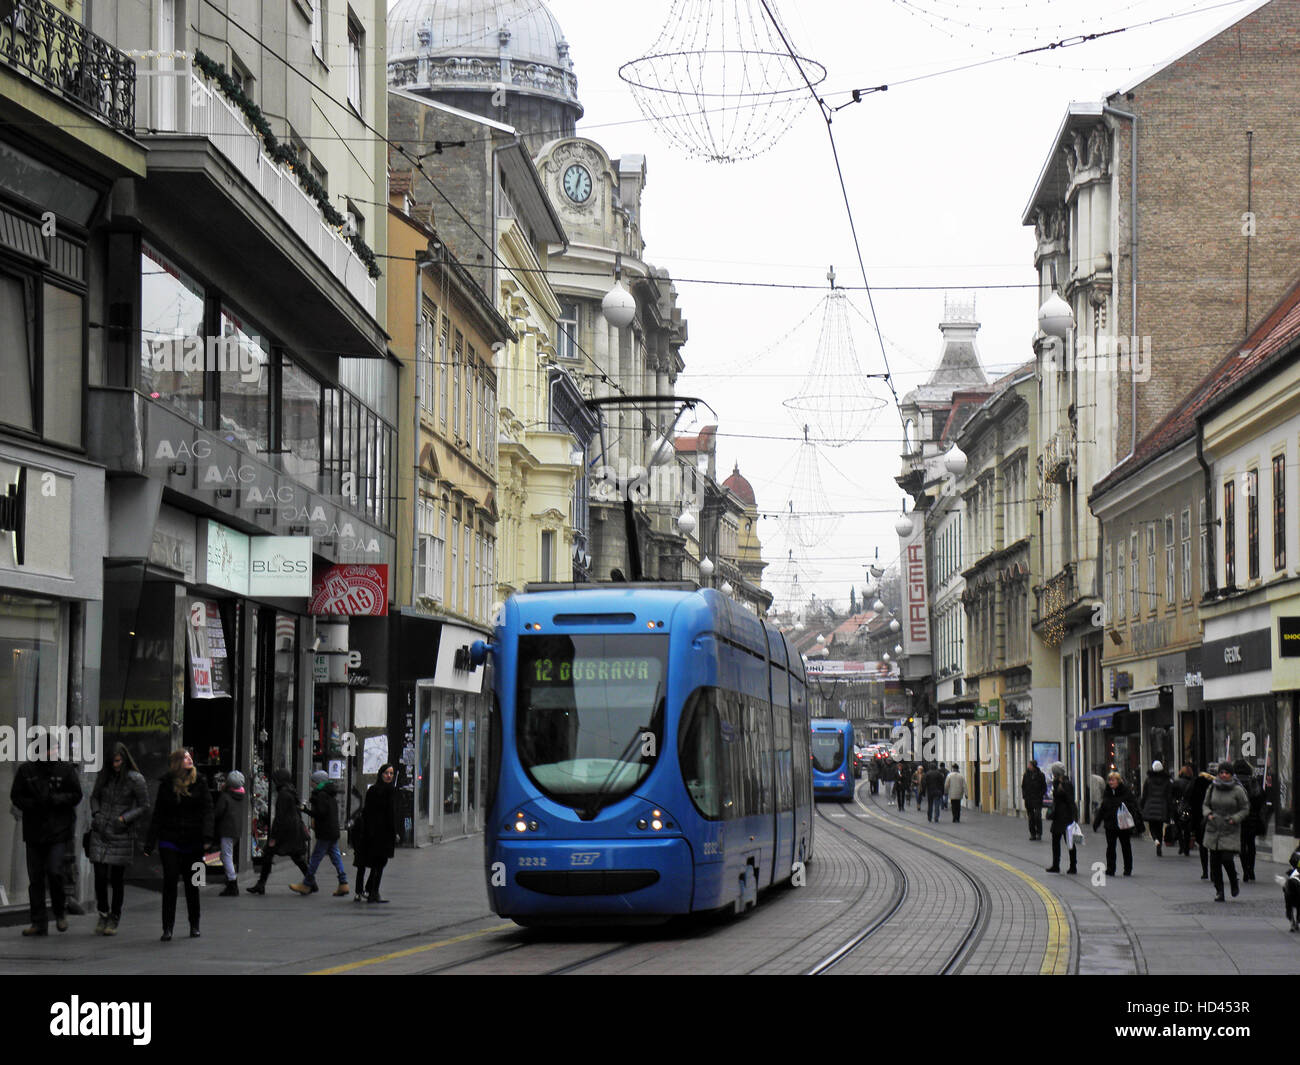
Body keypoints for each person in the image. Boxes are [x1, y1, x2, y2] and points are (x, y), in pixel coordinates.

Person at [10, 741, 83, 936]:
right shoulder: (27, 770)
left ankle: (59, 912)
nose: (53, 753)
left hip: (58, 830)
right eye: (50, 749)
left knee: (54, 871)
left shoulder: (65, 769)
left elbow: (76, 794)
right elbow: (16, 796)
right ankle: (39, 922)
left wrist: (57, 800)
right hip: (34, 831)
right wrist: (32, 804)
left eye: (55, 749)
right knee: (35, 879)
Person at [144, 748, 214, 941]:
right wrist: (150, 843)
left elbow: (208, 810)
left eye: (190, 757)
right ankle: (167, 927)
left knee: (194, 884)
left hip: (194, 841)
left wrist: (208, 837)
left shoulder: (201, 782)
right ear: (176, 762)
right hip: (170, 839)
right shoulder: (166, 784)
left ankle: (195, 924)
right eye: (185, 757)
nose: (189, 759)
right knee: (170, 882)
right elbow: (158, 814)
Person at [87, 743, 150, 935]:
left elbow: (144, 805)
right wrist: (96, 814)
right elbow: (94, 797)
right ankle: (103, 912)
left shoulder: (135, 779)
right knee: (99, 875)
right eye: (113, 761)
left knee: (116, 878)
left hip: (121, 830)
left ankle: (114, 916)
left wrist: (125, 818)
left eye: (119, 761)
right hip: (101, 829)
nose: (116, 765)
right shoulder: (104, 777)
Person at [246, 768, 310, 894]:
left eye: (275, 780)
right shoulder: (290, 791)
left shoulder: (283, 794)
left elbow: (280, 818)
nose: (273, 782)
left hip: (286, 832)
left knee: (270, 854)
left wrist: (273, 837)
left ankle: (261, 884)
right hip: (292, 830)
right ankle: (311, 881)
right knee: (295, 857)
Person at [293, 770, 349, 896]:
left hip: (325, 832)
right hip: (332, 831)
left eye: (312, 781)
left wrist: (306, 810)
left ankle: (307, 884)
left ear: (317, 782)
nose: (311, 784)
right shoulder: (330, 794)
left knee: (315, 858)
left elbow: (320, 813)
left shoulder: (321, 795)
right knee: (335, 856)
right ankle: (343, 882)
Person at [1203, 760, 1250, 902]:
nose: (1223, 775)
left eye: (1227, 773)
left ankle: (1233, 882)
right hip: (1214, 828)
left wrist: (1235, 818)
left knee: (1227, 858)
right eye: (1221, 772)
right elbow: (1205, 804)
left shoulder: (1238, 790)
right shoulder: (1212, 787)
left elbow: (1245, 808)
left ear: (1231, 774)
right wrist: (1208, 814)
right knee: (1215, 862)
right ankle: (1219, 891)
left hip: (1230, 828)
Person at [358, 763, 400, 903]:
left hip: (382, 833)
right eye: (386, 773)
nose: (389, 776)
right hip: (378, 833)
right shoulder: (379, 791)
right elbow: (374, 812)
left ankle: (371, 889)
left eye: (391, 773)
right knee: (379, 863)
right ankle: (373, 892)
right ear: (381, 774)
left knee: (379, 863)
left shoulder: (387, 790)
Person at [1093, 770, 1141, 877]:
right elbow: (1103, 808)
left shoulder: (1126, 792)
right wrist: (1097, 822)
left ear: (1118, 781)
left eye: (1113, 780)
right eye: (1109, 780)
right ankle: (1110, 869)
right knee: (1110, 847)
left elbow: (1133, 805)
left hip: (1123, 824)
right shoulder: (1107, 792)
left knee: (1126, 847)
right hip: (1110, 824)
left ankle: (1128, 869)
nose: (1110, 782)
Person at [211, 771, 247, 896]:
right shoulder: (240, 796)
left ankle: (232, 882)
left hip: (227, 829)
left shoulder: (225, 796)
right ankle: (230, 878)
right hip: (236, 830)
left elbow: (218, 812)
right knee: (225, 855)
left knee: (226, 856)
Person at [1045, 762, 1079, 875]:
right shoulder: (1057, 783)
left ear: (1057, 773)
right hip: (1058, 816)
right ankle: (1056, 865)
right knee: (1055, 841)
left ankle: (1073, 866)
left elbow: (1070, 800)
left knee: (1069, 842)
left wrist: (1073, 817)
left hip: (1066, 817)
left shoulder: (1066, 784)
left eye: (1054, 772)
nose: (1053, 774)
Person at [1233, 759, 1264, 883]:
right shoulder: (1253, 780)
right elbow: (1260, 797)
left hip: (1239, 817)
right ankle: (1251, 870)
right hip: (1252, 817)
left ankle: (1245, 870)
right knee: (1251, 844)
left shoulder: (1234, 782)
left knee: (1241, 844)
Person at [1140, 760, 1173, 857]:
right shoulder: (1167, 781)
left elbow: (1144, 795)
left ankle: (1156, 840)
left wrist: (1142, 806)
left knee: (1152, 827)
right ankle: (1159, 843)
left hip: (1150, 806)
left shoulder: (1148, 780)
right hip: (1162, 807)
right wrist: (1170, 810)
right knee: (1159, 827)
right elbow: (1169, 796)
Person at [1187, 767, 1215, 880]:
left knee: (1202, 846)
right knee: (1213, 847)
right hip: (1211, 818)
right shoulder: (1214, 785)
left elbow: (1188, 799)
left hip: (1198, 818)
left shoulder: (1194, 784)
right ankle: (1213, 871)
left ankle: (1205, 871)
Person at [1170, 763, 1195, 856]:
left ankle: (1181, 845)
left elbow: (1172, 794)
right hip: (1189, 807)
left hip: (1178, 807)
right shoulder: (1193, 782)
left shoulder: (1176, 782)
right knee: (1188, 829)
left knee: (1178, 827)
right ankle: (1187, 848)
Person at [1022, 760, 1047, 841]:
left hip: (1037, 799)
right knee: (1031, 817)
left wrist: (1040, 795)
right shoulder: (1026, 775)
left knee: (1037, 816)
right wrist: (1025, 796)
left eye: (1030, 765)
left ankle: (1039, 833)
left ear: (1034, 766)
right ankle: (1033, 834)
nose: (1028, 766)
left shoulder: (1040, 775)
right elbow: (1023, 786)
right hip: (1029, 800)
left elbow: (1044, 787)